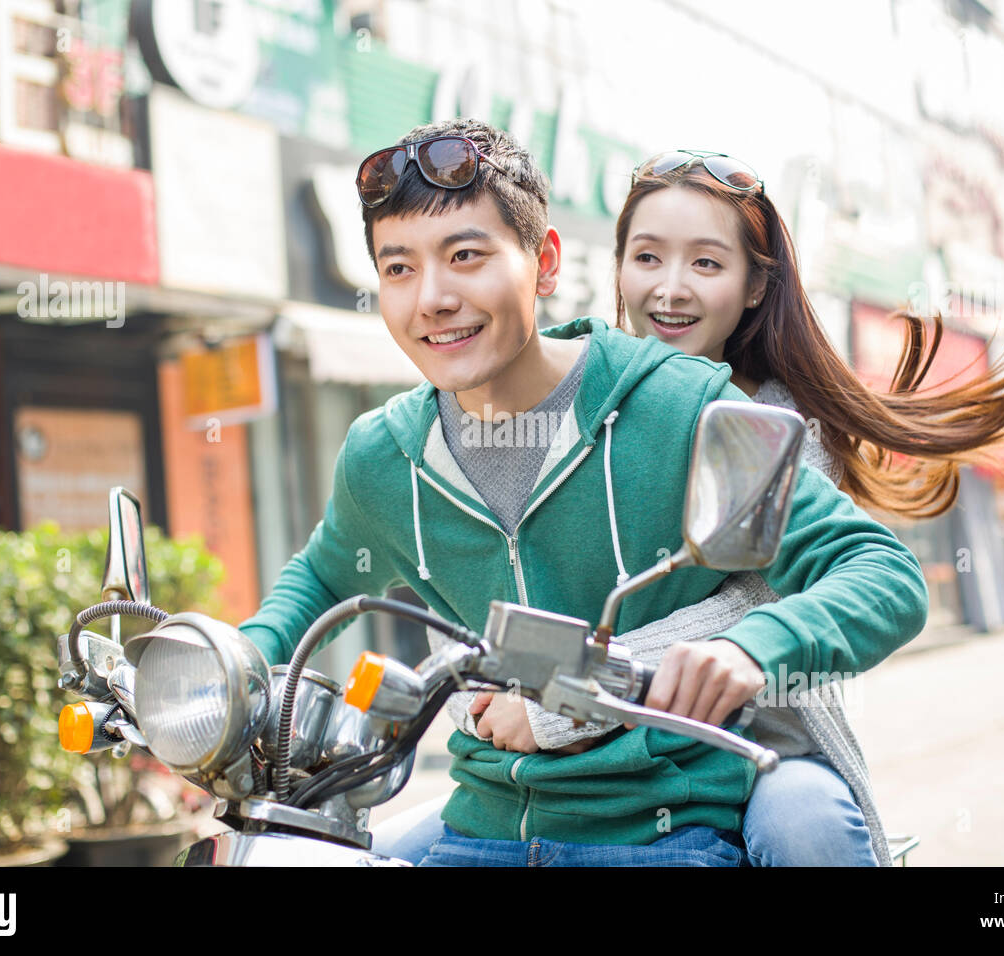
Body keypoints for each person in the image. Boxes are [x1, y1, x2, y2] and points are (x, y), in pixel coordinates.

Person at [239, 119, 930, 867]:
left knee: (808, 827)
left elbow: (879, 574)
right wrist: (239, 661)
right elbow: (322, 574)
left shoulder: (687, 407)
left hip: (669, 815)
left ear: (545, 263)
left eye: (465, 256)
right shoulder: (382, 452)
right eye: (398, 268)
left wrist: (750, 649)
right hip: (487, 818)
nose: (432, 298)